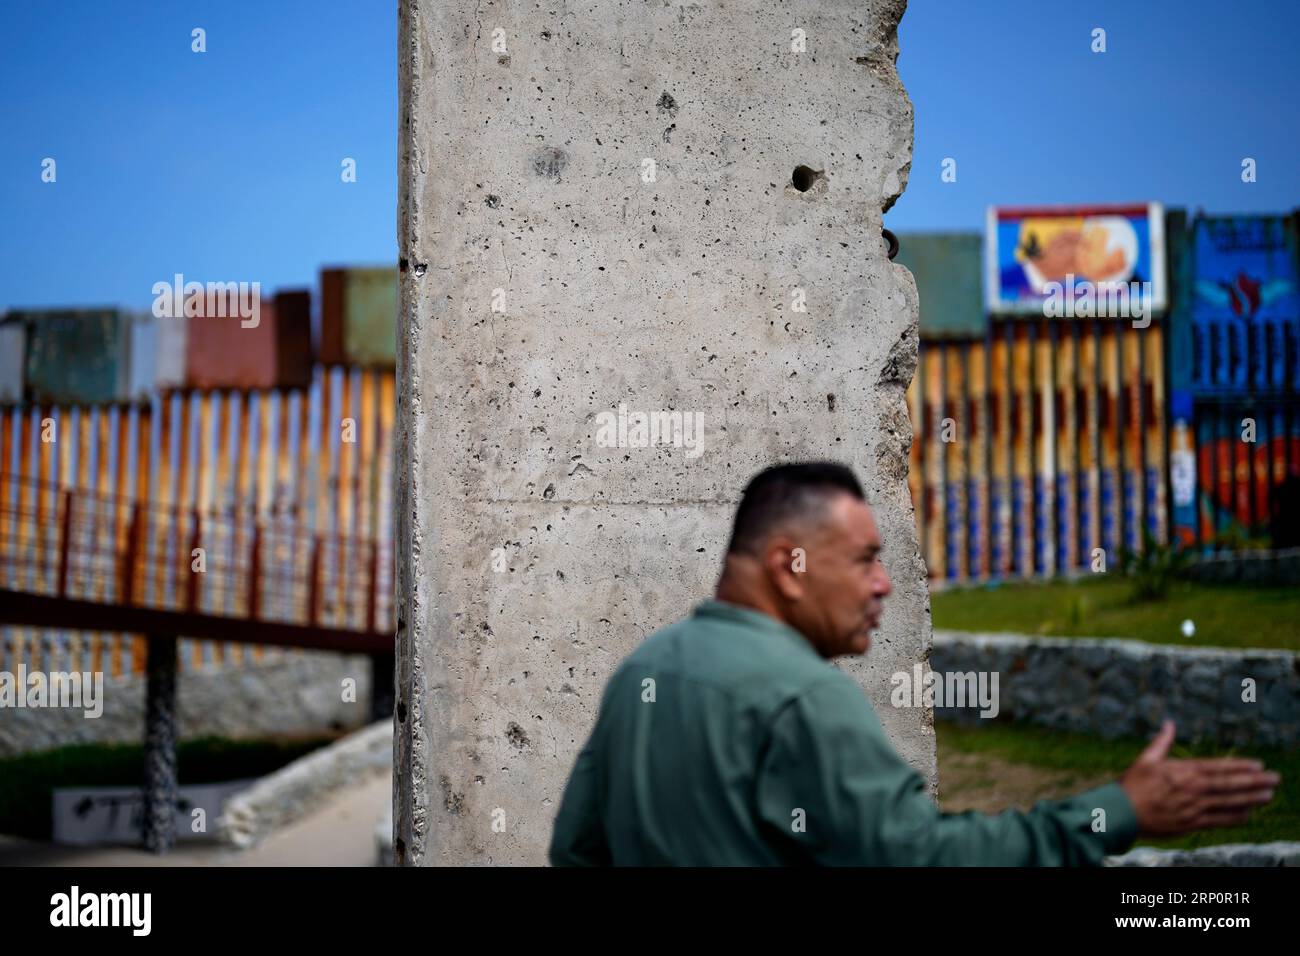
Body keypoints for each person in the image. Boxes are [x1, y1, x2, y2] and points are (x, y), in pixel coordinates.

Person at [548, 462, 1279, 865]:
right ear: (789, 566)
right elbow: (924, 862)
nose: (885, 584)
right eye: (866, 559)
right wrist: (1116, 811)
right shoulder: (801, 697)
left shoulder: (644, 671)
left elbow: (576, 850)